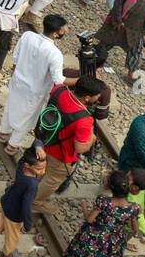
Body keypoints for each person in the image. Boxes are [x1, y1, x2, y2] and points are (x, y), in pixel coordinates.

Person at [59, 170, 141, 257]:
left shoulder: (104, 202)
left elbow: (90, 219)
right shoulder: (133, 208)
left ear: (111, 187)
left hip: (95, 237)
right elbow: (134, 228)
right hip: (114, 242)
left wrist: (84, 208)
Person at [36, 75, 106, 213]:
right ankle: (35, 202)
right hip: (61, 155)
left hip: (43, 139)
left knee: (38, 170)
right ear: (87, 98)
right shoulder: (84, 119)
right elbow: (79, 148)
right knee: (52, 180)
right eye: (96, 96)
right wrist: (92, 138)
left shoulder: (59, 89)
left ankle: (29, 188)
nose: (98, 98)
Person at [0, 15, 68, 149]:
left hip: (18, 81)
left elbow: (16, 56)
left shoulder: (27, 36)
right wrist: (78, 80)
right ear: (56, 34)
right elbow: (58, 80)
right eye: (63, 30)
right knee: (27, 117)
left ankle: (3, 132)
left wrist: (15, 74)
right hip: (35, 91)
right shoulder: (55, 54)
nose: (65, 31)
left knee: (11, 106)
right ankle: (13, 145)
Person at [0, 143, 46, 257]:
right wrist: (27, 224)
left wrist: (36, 146)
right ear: (29, 165)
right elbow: (26, 206)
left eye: (44, 168)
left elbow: (23, 157)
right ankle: (7, 254)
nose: (43, 171)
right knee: (12, 237)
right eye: (39, 169)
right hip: (14, 216)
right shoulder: (32, 185)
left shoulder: (21, 167)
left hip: (6, 203)